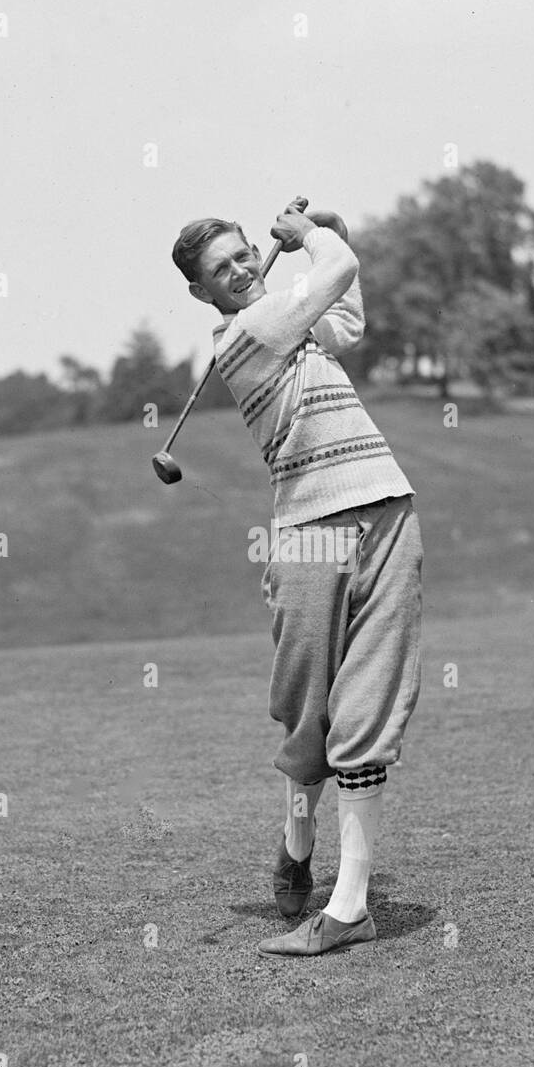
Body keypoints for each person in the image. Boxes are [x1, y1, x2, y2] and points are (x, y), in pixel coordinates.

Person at [171, 200, 423, 956]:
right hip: (309, 531)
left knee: (369, 700)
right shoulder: (246, 334)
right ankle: (297, 835)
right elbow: (333, 276)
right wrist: (316, 241)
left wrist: (334, 234)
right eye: (223, 268)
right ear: (202, 295)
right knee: (307, 710)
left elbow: (346, 320)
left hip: (385, 503)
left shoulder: (290, 318)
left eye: (247, 253)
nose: (243, 268)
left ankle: (349, 906)